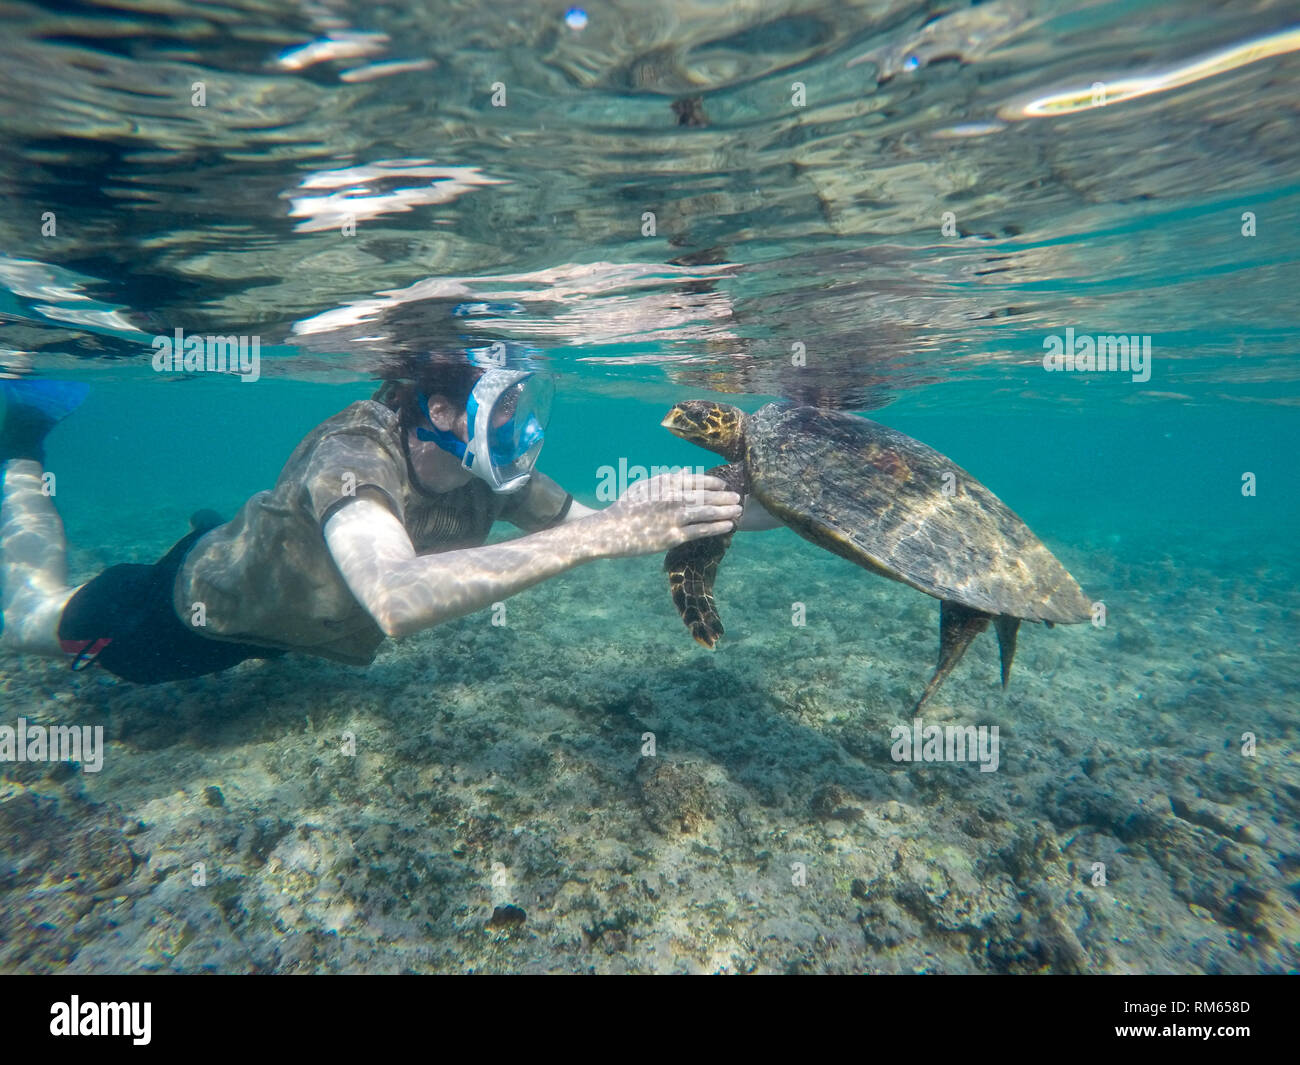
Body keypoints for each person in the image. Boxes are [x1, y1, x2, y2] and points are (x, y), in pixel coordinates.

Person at [0, 362, 742, 683]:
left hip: (297, 622)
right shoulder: (353, 450)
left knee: (253, 529)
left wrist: (779, 498)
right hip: (188, 617)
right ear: (443, 409)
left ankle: (222, 522)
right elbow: (390, 595)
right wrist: (599, 535)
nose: (525, 425)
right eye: (509, 405)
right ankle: (26, 437)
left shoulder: (492, 473)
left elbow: (612, 521)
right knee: (32, 617)